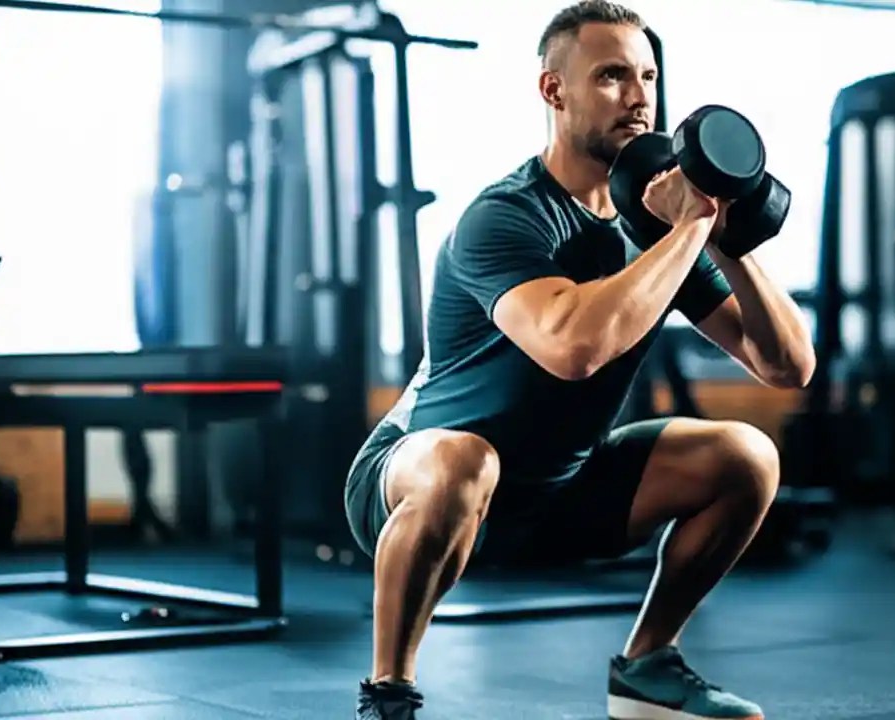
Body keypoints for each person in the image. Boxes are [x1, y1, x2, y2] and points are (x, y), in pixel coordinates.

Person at [348, 2, 815, 718]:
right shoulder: (507, 216)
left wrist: (726, 240)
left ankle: (647, 668)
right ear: (554, 90)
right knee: (465, 461)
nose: (638, 97)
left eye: (647, 77)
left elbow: (787, 366)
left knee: (746, 457)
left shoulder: (661, 231)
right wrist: (689, 227)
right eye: (611, 76)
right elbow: (573, 349)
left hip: (559, 490)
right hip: (417, 479)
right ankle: (388, 696)